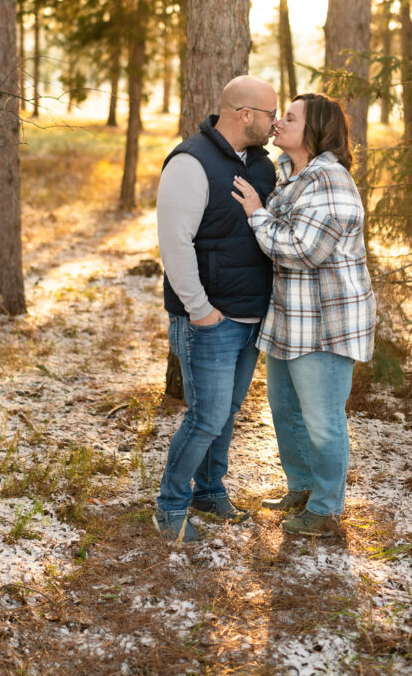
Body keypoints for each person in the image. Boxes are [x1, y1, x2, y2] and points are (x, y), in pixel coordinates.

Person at [232, 93, 375, 537]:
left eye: (289, 118)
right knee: (285, 410)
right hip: (291, 320)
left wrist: (256, 214)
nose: (278, 124)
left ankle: (327, 508)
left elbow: (301, 250)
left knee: (322, 419)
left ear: (314, 132)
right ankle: (303, 487)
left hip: (325, 325)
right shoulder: (293, 175)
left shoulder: (329, 181)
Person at [154, 75, 278, 542]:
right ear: (245, 114)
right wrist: (200, 310)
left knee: (226, 412)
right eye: (269, 114)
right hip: (209, 320)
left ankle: (209, 491)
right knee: (205, 417)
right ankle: (169, 509)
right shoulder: (190, 163)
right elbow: (175, 245)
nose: (274, 122)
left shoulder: (263, 166)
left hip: (250, 319)